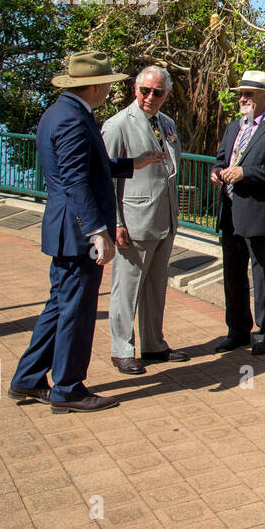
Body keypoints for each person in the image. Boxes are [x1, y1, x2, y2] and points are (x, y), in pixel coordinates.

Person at [8, 52, 165, 412]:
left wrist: (131, 164)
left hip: (64, 227)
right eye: (107, 85)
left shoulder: (60, 113)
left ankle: (28, 379)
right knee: (76, 311)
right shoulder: (74, 121)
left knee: (58, 307)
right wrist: (98, 231)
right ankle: (68, 389)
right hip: (77, 230)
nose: (109, 91)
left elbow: (88, 167)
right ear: (93, 85)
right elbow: (75, 180)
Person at [101, 65, 187, 374]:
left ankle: (154, 344)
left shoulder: (166, 123)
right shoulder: (117, 125)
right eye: (144, 91)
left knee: (156, 285)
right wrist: (115, 223)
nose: (150, 97)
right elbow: (104, 178)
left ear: (167, 95)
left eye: (157, 93)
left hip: (164, 218)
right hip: (133, 220)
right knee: (127, 286)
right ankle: (122, 348)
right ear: (135, 90)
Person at [209, 70, 265, 355]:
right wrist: (216, 172)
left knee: (263, 276)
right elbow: (221, 158)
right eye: (241, 94)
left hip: (260, 214)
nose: (243, 99)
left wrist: (246, 173)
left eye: (249, 94)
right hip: (230, 212)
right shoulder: (234, 127)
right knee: (233, 275)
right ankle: (237, 330)